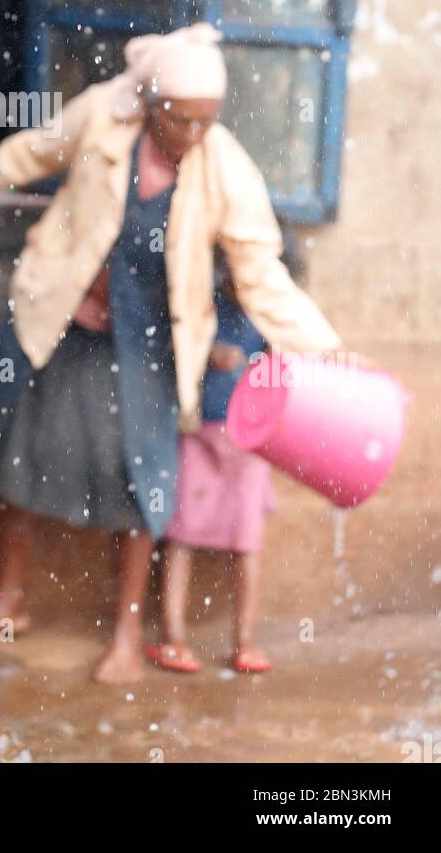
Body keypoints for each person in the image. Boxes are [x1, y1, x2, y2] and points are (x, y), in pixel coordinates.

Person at [0, 24, 343, 684]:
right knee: (22, 447)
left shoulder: (227, 169)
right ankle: (9, 601)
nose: (192, 135)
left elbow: (263, 276)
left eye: (205, 122)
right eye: (181, 120)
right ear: (154, 105)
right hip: (67, 315)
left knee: (143, 478)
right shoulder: (105, 116)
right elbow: (28, 154)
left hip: (153, 342)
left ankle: (127, 632)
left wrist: (324, 350)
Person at [150, 246, 297, 676]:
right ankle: (173, 638)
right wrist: (206, 355)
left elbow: (288, 374)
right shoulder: (204, 306)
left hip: (250, 447)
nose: (242, 280)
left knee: (247, 542)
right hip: (198, 434)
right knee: (181, 536)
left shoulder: (273, 318)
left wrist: (262, 363)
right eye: (235, 270)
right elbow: (175, 345)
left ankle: (245, 643)